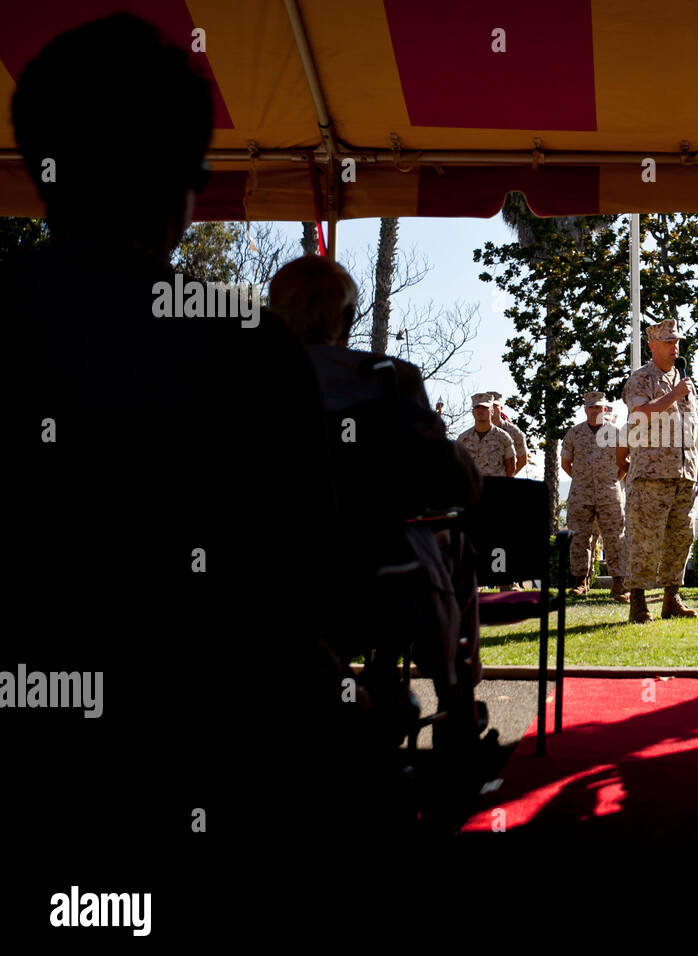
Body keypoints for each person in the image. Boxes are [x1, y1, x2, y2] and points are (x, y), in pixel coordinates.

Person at [2, 13, 399, 931]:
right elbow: (301, 577)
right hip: (213, 755)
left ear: (37, 167)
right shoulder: (237, 343)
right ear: (188, 187)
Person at [268, 255, 485, 740]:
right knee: (453, 546)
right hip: (386, 575)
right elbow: (461, 484)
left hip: (275, 580)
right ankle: (456, 706)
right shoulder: (388, 379)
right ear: (347, 320)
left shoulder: (239, 384)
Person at [618, 319, 698, 623]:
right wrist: (673, 395)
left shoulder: (684, 382)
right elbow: (639, 415)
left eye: (676, 342)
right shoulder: (641, 379)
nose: (674, 347)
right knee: (645, 538)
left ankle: (672, 598)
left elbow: (695, 428)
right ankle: (638, 602)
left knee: (682, 537)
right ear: (652, 345)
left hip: (684, 473)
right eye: (668, 342)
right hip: (651, 475)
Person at [562, 391, 630, 602]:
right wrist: (582, 480)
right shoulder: (574, 433)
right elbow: (565, 463)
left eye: (599, 407)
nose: (595, 411)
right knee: (579, 537)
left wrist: (610, 480)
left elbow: (624, 464)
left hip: (609, 493)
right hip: (580, 494)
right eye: (591, 407)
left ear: (604, 409)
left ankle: (619, 582)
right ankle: (580, 582)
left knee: (615, 538)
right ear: (585, 409)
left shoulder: (616, 433)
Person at [458, 394, 517, 477]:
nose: (480, 411)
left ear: (492, 411)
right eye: (477, 407)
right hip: (471, 488)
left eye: (485, 408)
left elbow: (511, 467)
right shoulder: (463, 439)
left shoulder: (503, 437)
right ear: (473, 412)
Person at [489, 390, 529, 476]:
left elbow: (522, 459)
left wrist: (508, 477)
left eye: (495, 406)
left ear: (501, 408)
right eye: (490, 406)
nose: (492, 409)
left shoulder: (513, 432)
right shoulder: (478, 430)